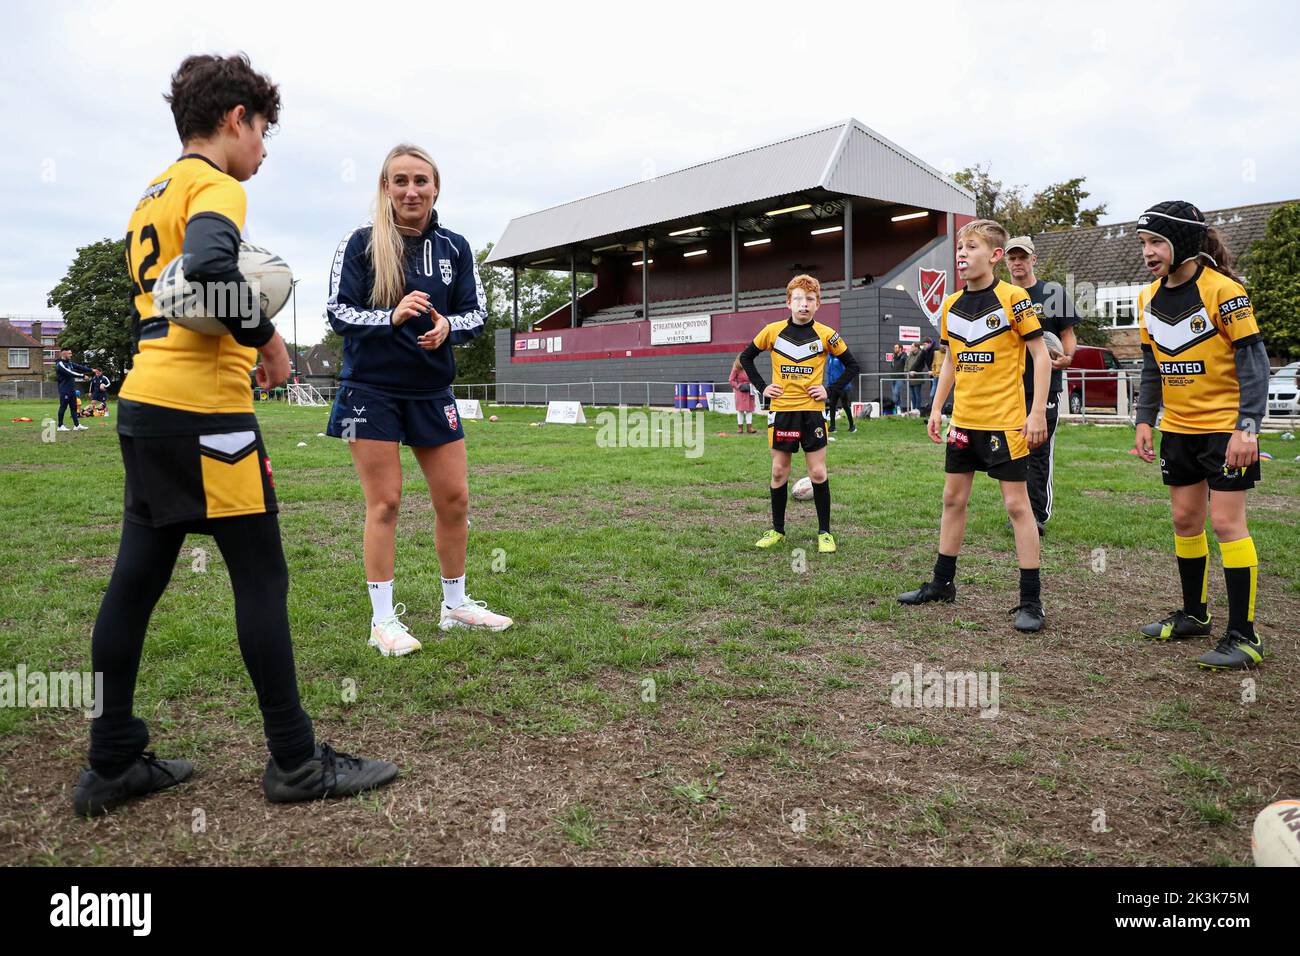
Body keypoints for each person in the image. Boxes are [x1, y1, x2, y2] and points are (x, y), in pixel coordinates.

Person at [74, 54, 398, 818]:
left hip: (145, 404)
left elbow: (159, 299)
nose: (263, 150)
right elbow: (216, 264)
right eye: (263, 132)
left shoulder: (150, 194)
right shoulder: (215, 184)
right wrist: (266, 342)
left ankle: (111, 758)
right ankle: (295, 762)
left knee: (134, 584)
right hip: (204, 416)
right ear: (234, 120)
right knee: (261, 578)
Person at [326, 143, 509, 657]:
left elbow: (477, 315)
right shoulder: (360, 243)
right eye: (400, 180)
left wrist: (449, 325)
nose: (411, 190)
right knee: (384, 503)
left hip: (432, 390)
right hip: (369, 390)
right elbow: (337, 313)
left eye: (421, 181)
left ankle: (455, 606)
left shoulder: (455, 246)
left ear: (436, 188)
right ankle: (382, 622)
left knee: (455, 500)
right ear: (386, 187)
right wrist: (392, 315)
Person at [1132, 201, 1268, 670]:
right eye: (1144, 243)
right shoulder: (1147, 298)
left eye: (1156, 242)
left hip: (1226, 432)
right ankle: (1195, 614)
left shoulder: (1223, 291)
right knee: (1186, 521)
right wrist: (1145, 418)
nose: (1148, 252)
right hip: (1179, 431)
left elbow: (1254, 362)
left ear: (1184, 242)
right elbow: (1151, 365)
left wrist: (1246, 427)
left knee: (1228, 524)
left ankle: (1245, 635)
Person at [897, 219, 1051, 632]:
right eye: (960, 248)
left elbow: (1041, 356)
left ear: (995, 256)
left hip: (1006, 424)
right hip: (963, 422)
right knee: (952, 500)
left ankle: (1031, 601)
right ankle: (942, 584)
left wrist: (1036, 412)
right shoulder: (950, 304)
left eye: (972, 247)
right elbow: (950, 359)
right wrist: (936, 407)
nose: (962, 254)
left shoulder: (1015, 298)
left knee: (1019, 507)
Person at [740, 274, 861, 554]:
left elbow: (852, 365)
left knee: (817, 472)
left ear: (818, 304)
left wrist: (829, 391)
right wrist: (762, 387)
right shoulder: (771, 331)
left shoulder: (827, 334)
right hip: (782, 411)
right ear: (788, 303)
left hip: (812, 413)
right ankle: (778, 530)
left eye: (809, 299)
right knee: (779, 471)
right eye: (798, 299)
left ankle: (825, 533)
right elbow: (746, 357)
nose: (803, 304)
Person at [1006, 236, 1079, 534]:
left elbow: (1068, 335)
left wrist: (1068, 356)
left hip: (1045, 386)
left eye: (1023, 256)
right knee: (1013, 451)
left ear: (1034, 259)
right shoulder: (1001, 295)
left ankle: (1037, 514)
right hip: (1008, 387)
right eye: (1012, 257)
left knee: (1038, 449)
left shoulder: (1052, 293)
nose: (1017, 262)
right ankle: (1019, 509)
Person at [55, 348, 93, 431]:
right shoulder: (60, 364)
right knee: (63, 407)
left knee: (74, 408)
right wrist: (83, 376)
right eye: (69, 353)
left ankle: (77, 425)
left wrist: (91, 370)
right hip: (64, 390)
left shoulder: (70, 363)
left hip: (72, 389)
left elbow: (79, 367)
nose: (71, 355)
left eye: (71, 353)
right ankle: (60, 426)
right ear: (64, 354)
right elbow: (70, 373)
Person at [824, 351, 856, 433]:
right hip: (833, 386)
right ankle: (832, 427)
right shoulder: (829, 357)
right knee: (832, 406)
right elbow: (829, 372)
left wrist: (844, 383)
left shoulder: (841, 357)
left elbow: (847, 370)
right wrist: (829, 384)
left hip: (842, 386)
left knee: (845, 405)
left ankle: (852, 426)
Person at [729, 358, 757, 434]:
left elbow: (755, 377)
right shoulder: (736, 369)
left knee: (749, 410)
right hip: (740, 392)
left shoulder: (750, 367)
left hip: (750, 391)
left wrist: (753, 385)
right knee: (740, 410)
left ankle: (749, 428)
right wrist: (738, 386)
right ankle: (740, 428)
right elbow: (731, 380)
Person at [905, 343, 927, 413]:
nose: (911, 348)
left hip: (917, 377)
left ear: (917, 347)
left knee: (917, 395)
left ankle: (917, 410)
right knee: (912, 395)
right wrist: (906, 372)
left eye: (912, 346)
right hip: (910, 378)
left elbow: (920, 364)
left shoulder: (920, 354)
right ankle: (913, 410)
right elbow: (906, 364)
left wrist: (914, 371)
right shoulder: (910, 355)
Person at [888, 343, 906, 412]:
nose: (894, 349)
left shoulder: (904, 356)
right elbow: (892, 366)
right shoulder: (894, 357)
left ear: (900, 349)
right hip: (893, 377)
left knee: (896, 393)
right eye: (894, 348)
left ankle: (896, 406)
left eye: (896, 348)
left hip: (900, 377)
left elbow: (906, 364)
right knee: (896, 394)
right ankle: (898, 408)